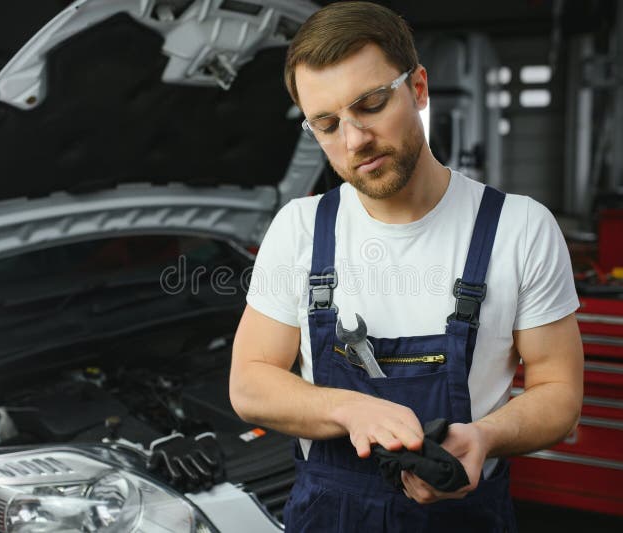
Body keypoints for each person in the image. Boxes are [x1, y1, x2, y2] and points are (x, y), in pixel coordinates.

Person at [229, 2, 584, 531]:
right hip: (329, 513)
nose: (354, 141)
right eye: (326, 124)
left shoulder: (520, 228)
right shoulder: (299, 229)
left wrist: (484, 437)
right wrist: (348, 410)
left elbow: (560, 392)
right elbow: (250, 383)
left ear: (417, 88)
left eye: (370, 104)